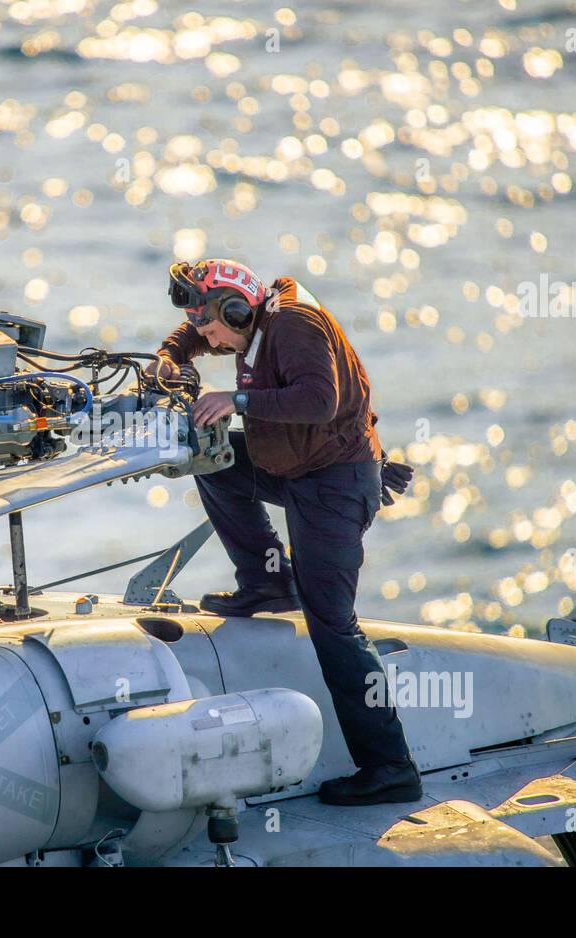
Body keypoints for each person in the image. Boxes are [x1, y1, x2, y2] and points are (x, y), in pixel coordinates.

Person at [149, 258, 421, 806]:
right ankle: (270, 582)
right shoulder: (249, 316)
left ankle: (391, 768)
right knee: (215, 462)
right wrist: (168, 357)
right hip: (295, 467)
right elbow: (190, 334)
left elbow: (319, 399)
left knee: (334, 626)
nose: (207, 339)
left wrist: (236, 401)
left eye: (210, 327)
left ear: (235, 309)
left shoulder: (294, 326)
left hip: (335, 485)